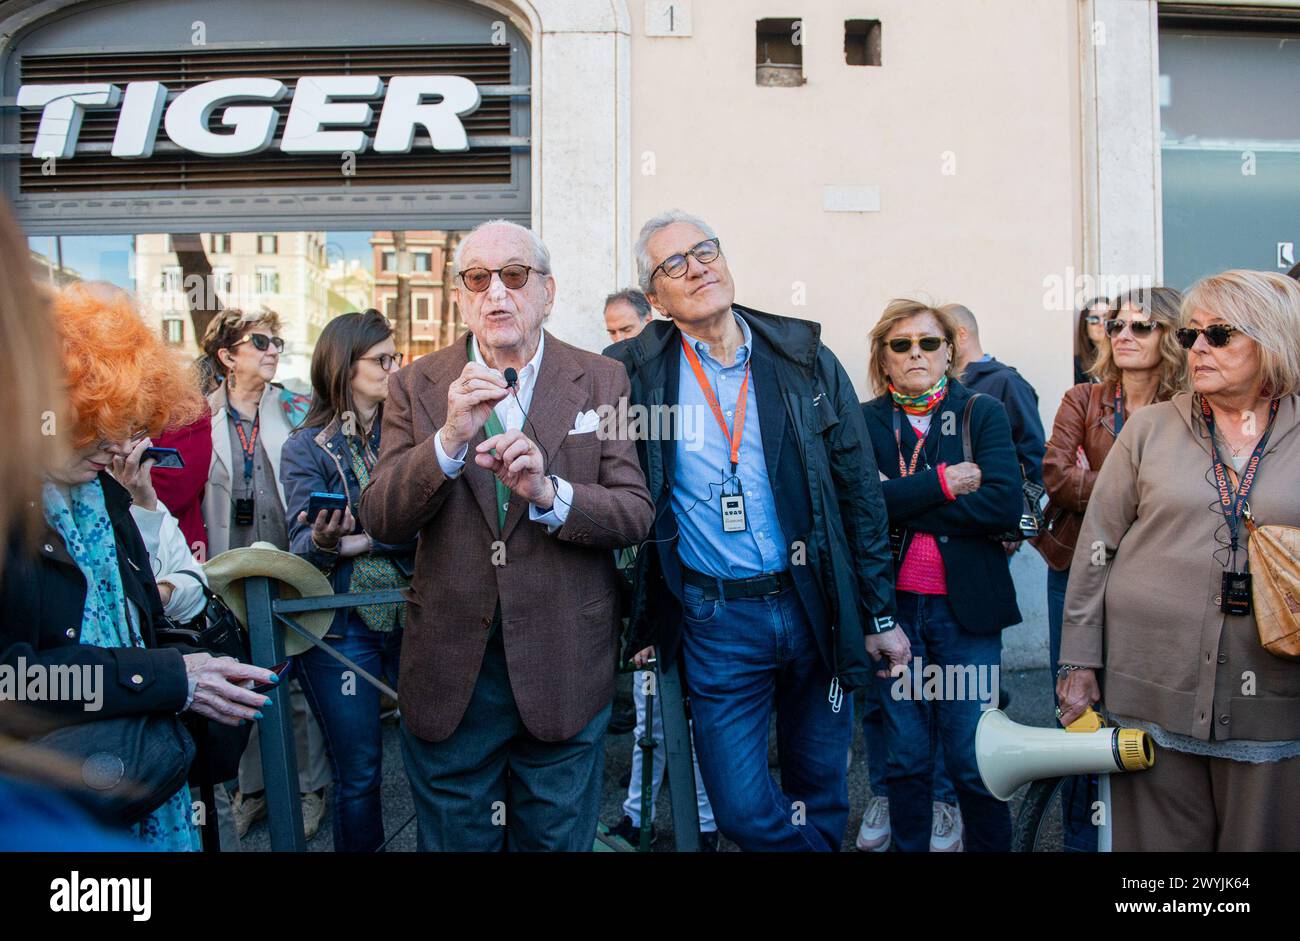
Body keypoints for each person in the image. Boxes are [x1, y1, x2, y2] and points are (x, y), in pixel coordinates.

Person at [605, 210, 900, 852]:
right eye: (673, 263)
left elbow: (859, 496)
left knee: (820, 789)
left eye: (705, 250)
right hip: (717, 618)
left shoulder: (803, 359)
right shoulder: (635, 373)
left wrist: (878, 614)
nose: (698, 266)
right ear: (655, 299)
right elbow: (601, 482)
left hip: (814, 603)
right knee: (739, 808)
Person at [361, 219, 654, 852]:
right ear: (461, 296)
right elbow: (381, 516)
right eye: (477, 279)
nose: (497, 293)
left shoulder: (601, 379)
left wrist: (551, 495)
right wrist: (447, 440)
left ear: (546, 291)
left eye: (514, 276)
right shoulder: (416, 385)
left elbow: (634, 512)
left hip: (565, 662)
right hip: (452, 671)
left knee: (554, 842)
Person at [0, 282, 278, 850]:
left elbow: (150, 612)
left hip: (142, 785)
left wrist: (192, 666)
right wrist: (172, 679)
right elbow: (14, 678)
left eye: (128, 421)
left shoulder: (104, 492)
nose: (120, 442)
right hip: (53, 807)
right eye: (97, 424)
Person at [1058, 270, 1300, 851]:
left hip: (1273, 704)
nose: (1198, 350)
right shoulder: (1147, 430)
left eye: (1219, 335)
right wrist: (1077, 663)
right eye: (1191, 336)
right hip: (1151, 694)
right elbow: (1097, 549)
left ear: (1271, 342)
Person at [860, 299, 1023, 852]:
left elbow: (1002, 506)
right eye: (900, 344)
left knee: (975, 757)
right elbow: (855, 508)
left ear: (949, 351)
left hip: (964, 612)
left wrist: (895, 497)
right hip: (894, 612)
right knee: (905, 758)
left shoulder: (981, 413)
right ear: (883, 358)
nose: (916, 354)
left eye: (929, 342)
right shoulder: (864, 421)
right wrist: (945, 483)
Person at [1033, 286, 1185, 852]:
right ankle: (1081, 839)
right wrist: (1145, 492)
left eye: (1140, 327)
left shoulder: (1191, 407)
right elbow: (1055, 475)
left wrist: (1098, 484)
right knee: (1076, 709)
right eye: (1117, 325)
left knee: (1144, 708)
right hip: (1075, 568)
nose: (1122, 334)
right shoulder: (1083, 398)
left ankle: (1142, 839)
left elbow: (1188, 496)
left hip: (1155, 578)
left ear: (1169, 336)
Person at [279, 309, 415, 852]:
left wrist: (365, 537)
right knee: (358, 774)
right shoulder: (306, 446)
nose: (394, 368)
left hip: (411, 612)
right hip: (340, 630)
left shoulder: (406, 436)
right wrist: (332, 542)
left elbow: (424, 526)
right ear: (344, 365)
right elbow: (301, 547)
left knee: (437, 758)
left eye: (395, 357)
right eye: (382, 359)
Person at [199, 306, 330, 840]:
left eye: (277, 340)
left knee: (295, 674)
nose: (273, 349)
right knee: (238, 674)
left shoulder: (297, 406)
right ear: (227, 356)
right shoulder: (195, 416)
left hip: (287, 561)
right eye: (260, 341)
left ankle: (307, 789)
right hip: (228, 565)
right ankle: (251, 790)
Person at [597, 288, 718, 851]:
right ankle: (638, 817)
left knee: (695, 723)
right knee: (653, 720)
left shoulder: (671, 401)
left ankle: (705, 825)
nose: (616, 342)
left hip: (695, 587)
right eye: (611, 331)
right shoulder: (615, 406)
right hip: (646, 591)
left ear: (651, 327)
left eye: (626, 330)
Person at [948, 303, 1046, 487]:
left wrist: (1011, 498)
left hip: (997, 505)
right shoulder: (946, 386)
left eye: (943, 337)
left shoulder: (1007, 382)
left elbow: (1032, 454)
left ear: (961, 335)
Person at [1075, 297, 1109, 385]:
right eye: (1094, 319)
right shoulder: (1076, 366)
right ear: (1085, 327)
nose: (1101, 323)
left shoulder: (1124, 359)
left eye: (1107, 318)